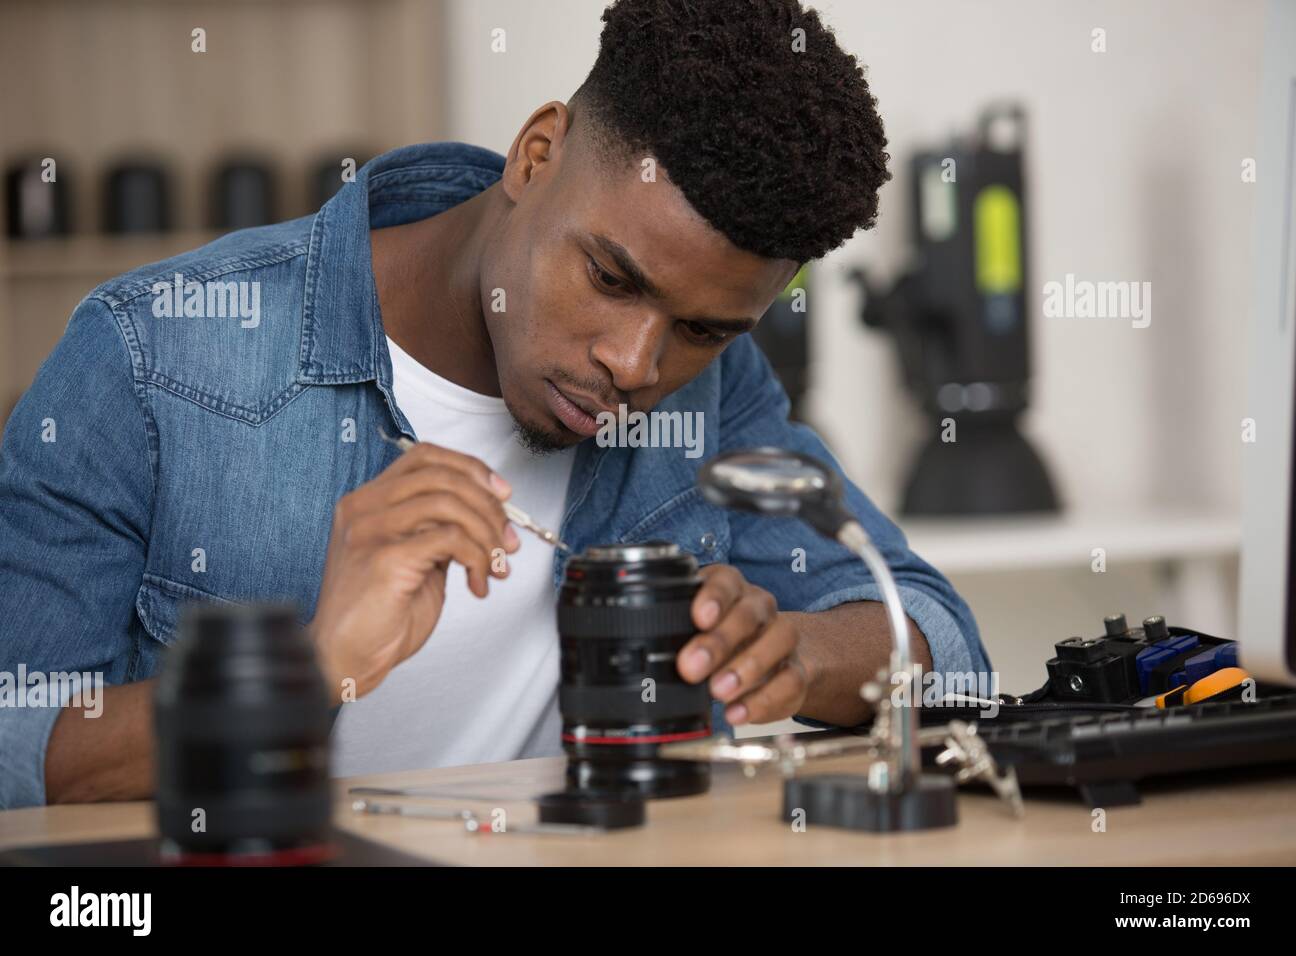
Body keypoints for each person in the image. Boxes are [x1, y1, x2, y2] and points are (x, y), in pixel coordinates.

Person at [0, 0, 990, 809]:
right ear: (535, 153)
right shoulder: (153, 351)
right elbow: (17, 753)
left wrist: (798, 652)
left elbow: (943, 643)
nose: (635, 365)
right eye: (611, 277)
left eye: (701, 328)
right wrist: (300, 673)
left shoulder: (717, 389)